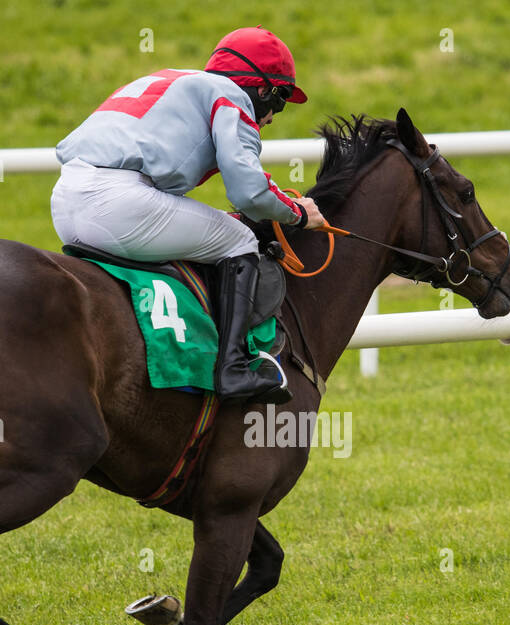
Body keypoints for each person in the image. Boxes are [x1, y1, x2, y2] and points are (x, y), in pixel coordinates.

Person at [51, 26, 326, 404]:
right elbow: (250, 193)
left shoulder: (173, 79)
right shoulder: (232, 97)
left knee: (220, 227)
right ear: (262, 89)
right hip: (118, 203)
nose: (273, 117)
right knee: (241, 240)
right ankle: (233, 370)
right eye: (279, 100)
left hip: (66, 200)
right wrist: (296, 213)